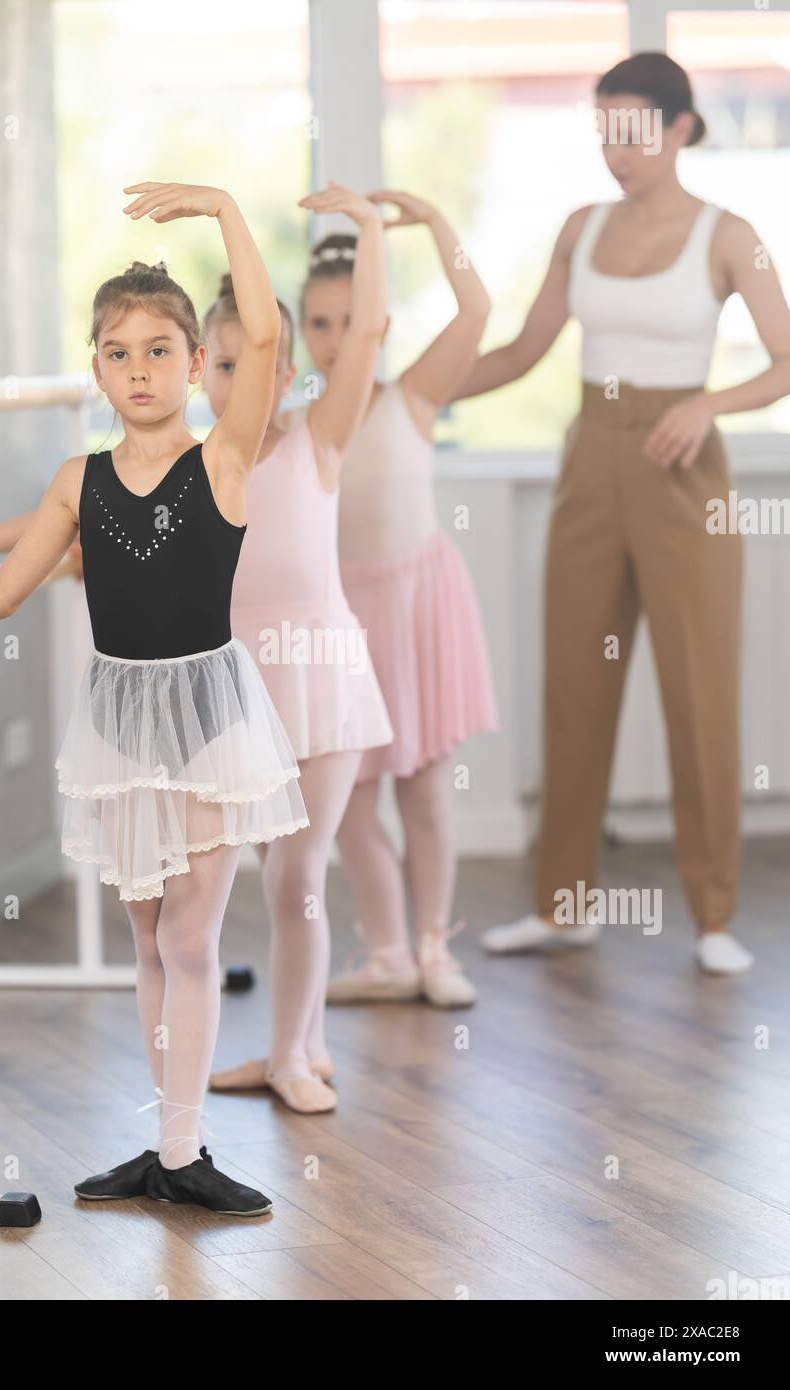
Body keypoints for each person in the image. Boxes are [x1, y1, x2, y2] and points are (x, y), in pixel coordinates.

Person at [0, 181, 307, 1215]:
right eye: (116, 351)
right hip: (120, 719)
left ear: (193, 363)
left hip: (212, 717)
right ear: (94, 367)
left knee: (190, 937)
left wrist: (226, 206)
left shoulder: (223, 458)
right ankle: (165, 1144)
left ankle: (185, 1150)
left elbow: (266, 337)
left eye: (157, 349)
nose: (138, 369)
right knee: (146, 938)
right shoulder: (76, 480)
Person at [453, 54, 790, 973]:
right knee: (574, 683)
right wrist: (404, 389)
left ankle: (714, 917)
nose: (615, 147)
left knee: (699, 689)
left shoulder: (731, 235)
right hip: (590, 456)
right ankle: (564, 907)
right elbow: (522, 351)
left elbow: (786, 358)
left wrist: (709, 403)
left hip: (682, 465)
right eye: (603, 128)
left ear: (681, 129)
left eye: (634, 129)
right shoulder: (580, 226)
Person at [203, 183, 392, 1113]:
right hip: (244, 689)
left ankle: (285, 1055)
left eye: (259, 363)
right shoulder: (194, 467)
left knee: (296, 875)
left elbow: (364, 336)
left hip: (319, 682)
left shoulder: (318, 438)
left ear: (286, 373)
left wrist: (371, 230)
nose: (240, 381)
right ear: (200, 368)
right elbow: (82, 517)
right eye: (222, 363)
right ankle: (301, 1044)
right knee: (267, 878)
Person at [291, 193, 498, 1012]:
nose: (337, 339)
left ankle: (438, 949)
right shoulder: (298, 422)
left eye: (352, 320)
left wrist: (434, 221)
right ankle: (387, 955)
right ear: (303, 333)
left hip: (419, 607)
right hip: (345, 621)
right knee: (349, 804)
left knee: (426, 792)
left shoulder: (414, 394)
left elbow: (476, 308)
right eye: (319, 324)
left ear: (377, 322)